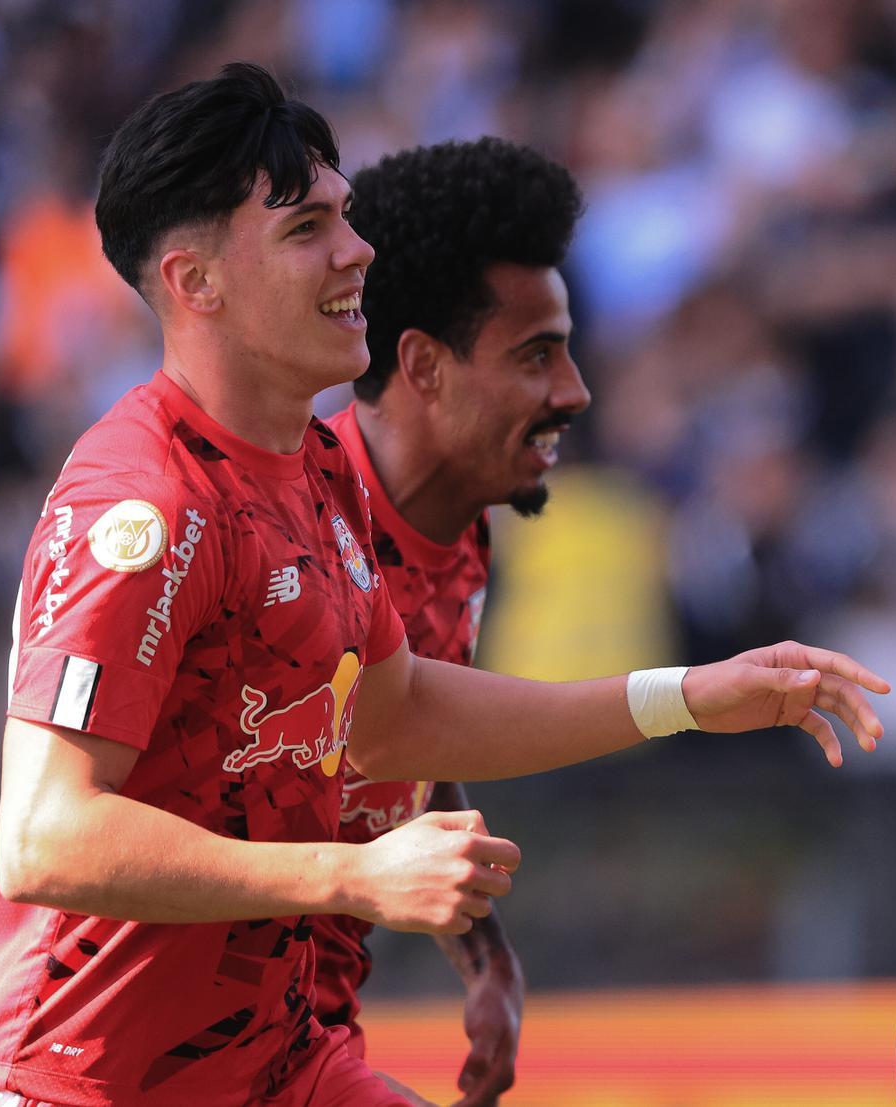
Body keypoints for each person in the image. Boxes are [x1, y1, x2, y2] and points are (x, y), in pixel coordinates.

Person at [0, 63, 886, 1107]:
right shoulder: (142, 505)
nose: (359, 251)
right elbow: (44, 839)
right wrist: (352, 877)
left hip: (277, 1063)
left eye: (346, 218)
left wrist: (685, 697)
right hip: (78, 1077)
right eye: (308, 229)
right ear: (194, 283)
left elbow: (394, 717)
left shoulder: (315, 469)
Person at [307, 136, 591, 1107]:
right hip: (117, 1059)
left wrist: (486, 964)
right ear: (423, 365)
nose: (574, 391)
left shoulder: (466, 542)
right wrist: (685, 702)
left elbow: (408, 744)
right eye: (537, 355)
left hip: (298, 1048)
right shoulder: (286, 534)